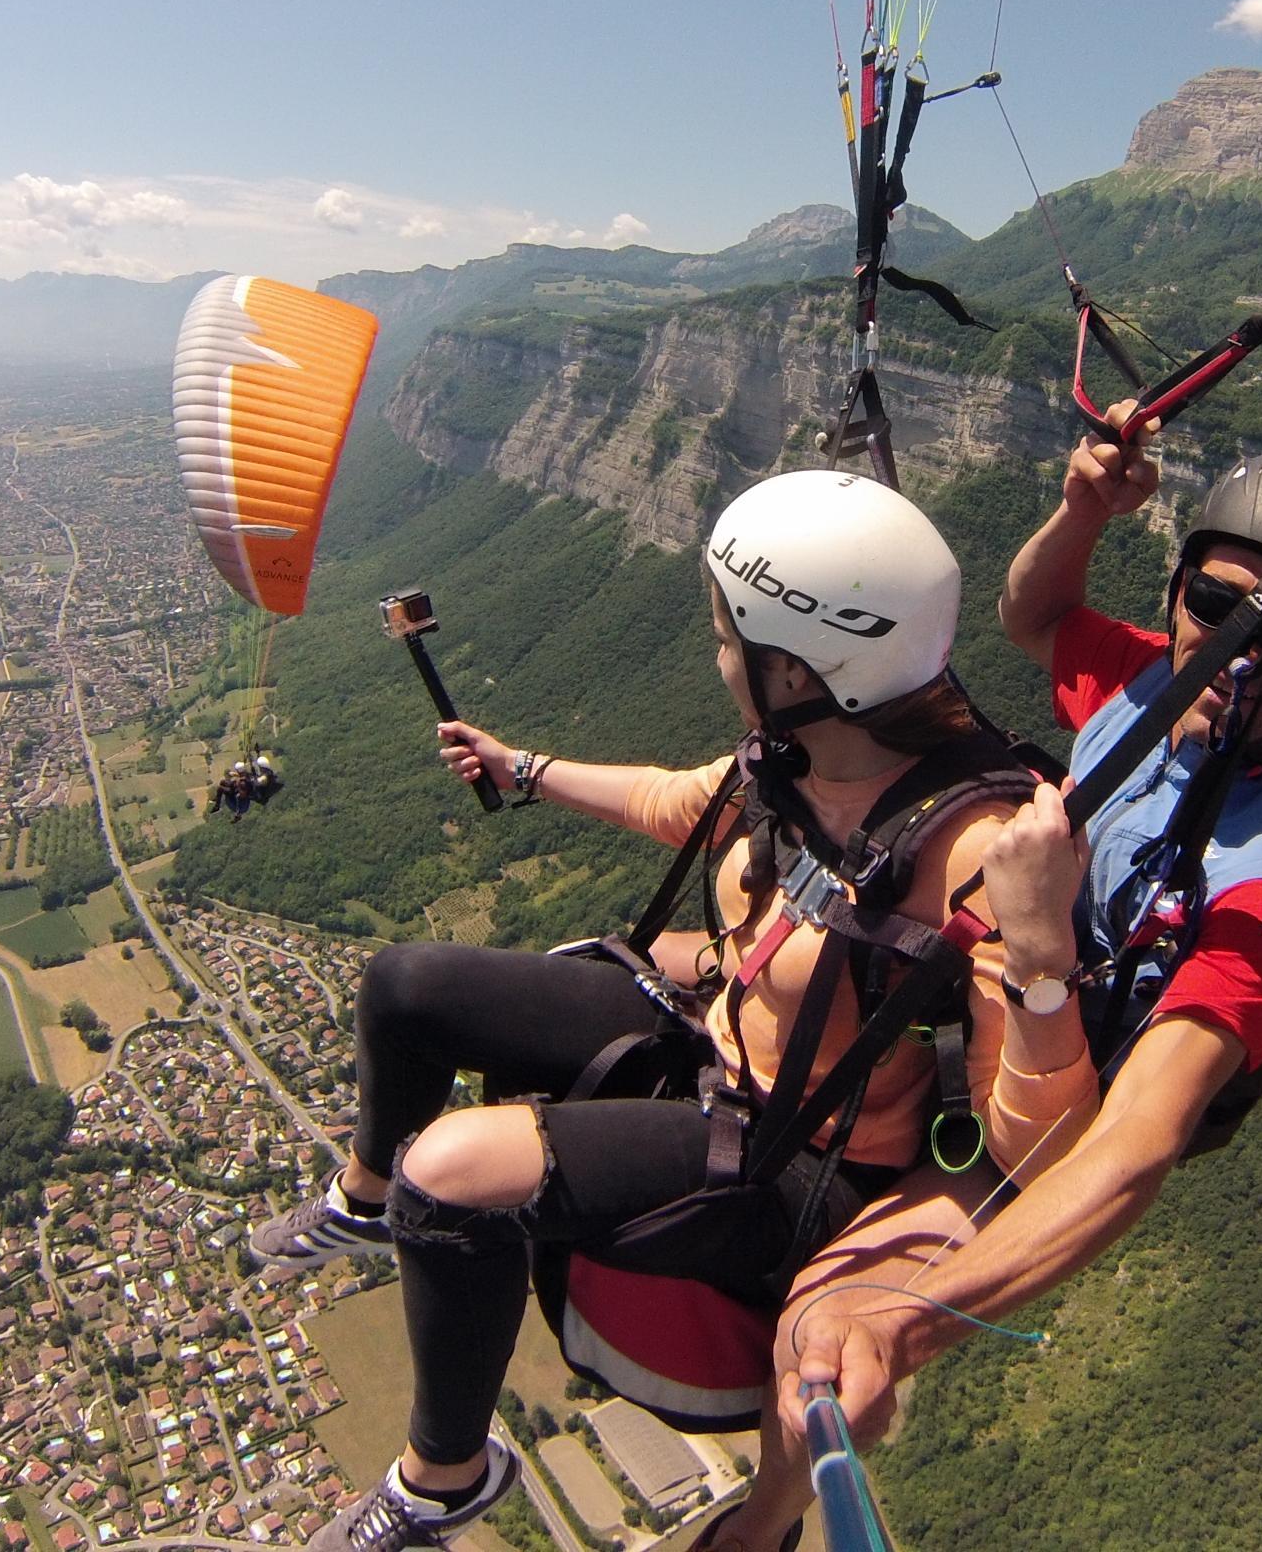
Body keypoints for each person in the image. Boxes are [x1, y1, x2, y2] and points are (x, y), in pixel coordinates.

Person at [243, 469, 1097, 1552]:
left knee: (450, 1175)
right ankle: (362, 1206)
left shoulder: (972, 852)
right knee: (404, 988)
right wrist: (524, 766)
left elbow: (1037, 1145)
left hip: (803, 1157)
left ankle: (446, 1476)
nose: (715, 656)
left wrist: (1041, 952)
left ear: (796, 669)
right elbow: (679, 801)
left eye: (725, 636)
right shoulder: (801, 757)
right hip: (713, 1035)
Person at [721, 418, 1262, 1543]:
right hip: (976, 1010)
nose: (1234, 654)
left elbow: (1131, 1152)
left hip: (1038, 1118)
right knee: (692, 967)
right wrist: (1084, 508)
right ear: (1178, 588)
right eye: (1213, 603)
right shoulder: (1150, 685)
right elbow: (1031, 619)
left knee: (818, 1338)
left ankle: (755, 1534)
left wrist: (911, 1319)